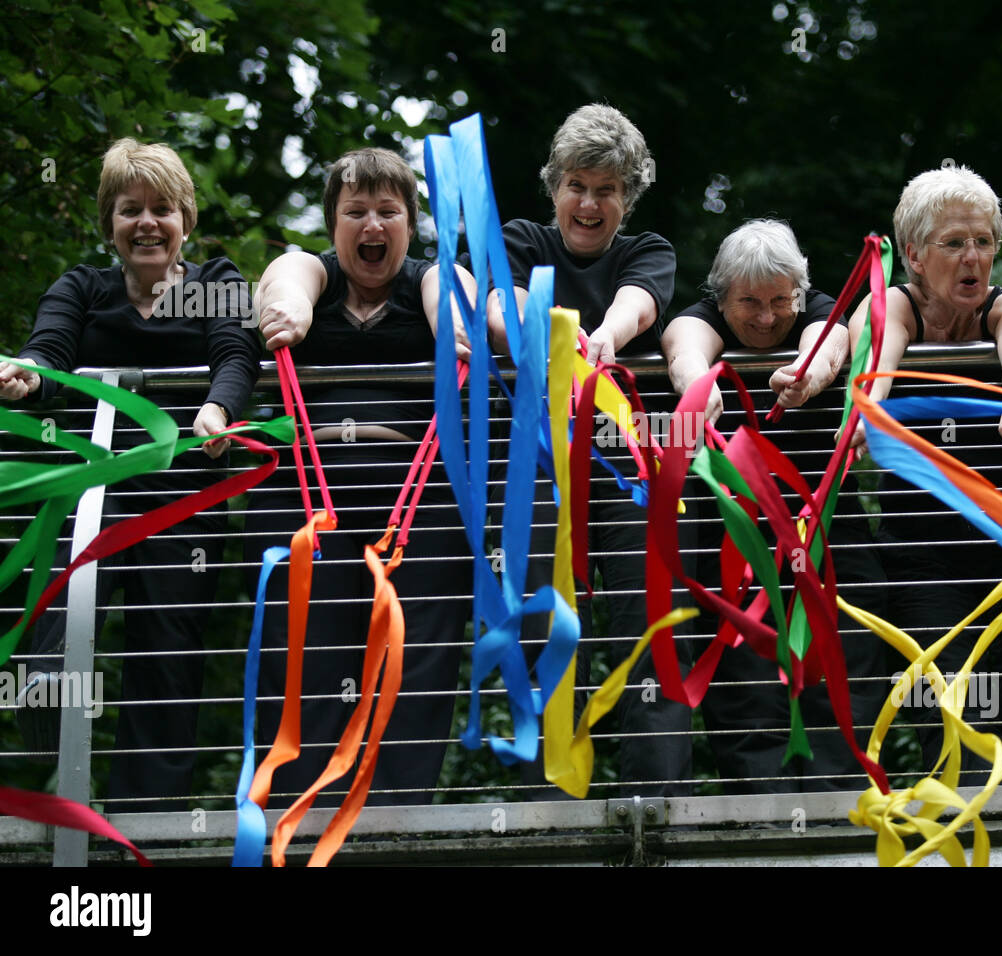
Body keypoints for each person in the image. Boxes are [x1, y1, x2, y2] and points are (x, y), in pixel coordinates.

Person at [0, 138, 262, 812]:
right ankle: (53, 773)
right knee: (56, 619)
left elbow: (236, 353)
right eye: (130, 210)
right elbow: (48, 350)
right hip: (94, 492)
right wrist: (27, 376)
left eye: (163, 209)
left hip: (183, 503)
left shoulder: (211, 285)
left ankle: (153, 821)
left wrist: (217, 407)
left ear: (187, 221)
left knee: (169, 658)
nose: (147, 222)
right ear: (108, 225)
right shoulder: (83, 287)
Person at [848, 167, 1002, 785]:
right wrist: (869, 410)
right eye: (954, 243)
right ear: (912, 253)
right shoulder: (894, 304)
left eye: (984, 241)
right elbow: (880, 354)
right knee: (949, 705)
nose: (975, 258)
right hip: (923, 552)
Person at [249, 147, 475, 807]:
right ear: (334, 223)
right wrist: (288, 308)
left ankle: (399, 825)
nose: (372, 224)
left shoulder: (432, 279)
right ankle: (295, 822)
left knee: (416, 663)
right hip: (309, 506)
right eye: (355, 212)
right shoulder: (310, 272)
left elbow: (451, 296)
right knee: (304, 663)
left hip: (420, 502)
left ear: (410, 223)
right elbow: (285, 276)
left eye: (388, 211)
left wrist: (450, 326)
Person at [488, 103, 679, 798]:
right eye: (577, 184)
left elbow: (639, 304)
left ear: (626, 199)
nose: (589, 202)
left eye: (606, 189)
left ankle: (656, 805)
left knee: (646, 625)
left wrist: (602, 339)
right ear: (554, 186)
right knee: (540, 622)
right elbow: (500, 308)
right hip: (536, 467)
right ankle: (542, 808)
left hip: (622, 465)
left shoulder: (647, 250)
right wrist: (546, 339)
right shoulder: (519, 239)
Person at [662, 218, 889, 794]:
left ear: (799, 289)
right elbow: (682, 344)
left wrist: (809, 374)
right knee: (744, 682)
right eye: (749, 304)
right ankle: (762, 820)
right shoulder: (701, 314)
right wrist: (698, 387)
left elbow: (830, 338)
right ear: (721, 296)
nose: (766, 318)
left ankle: (843, 818)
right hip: (733, 542)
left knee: (847, 664)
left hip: (826, 533)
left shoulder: (815, 309)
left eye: (779, 301)